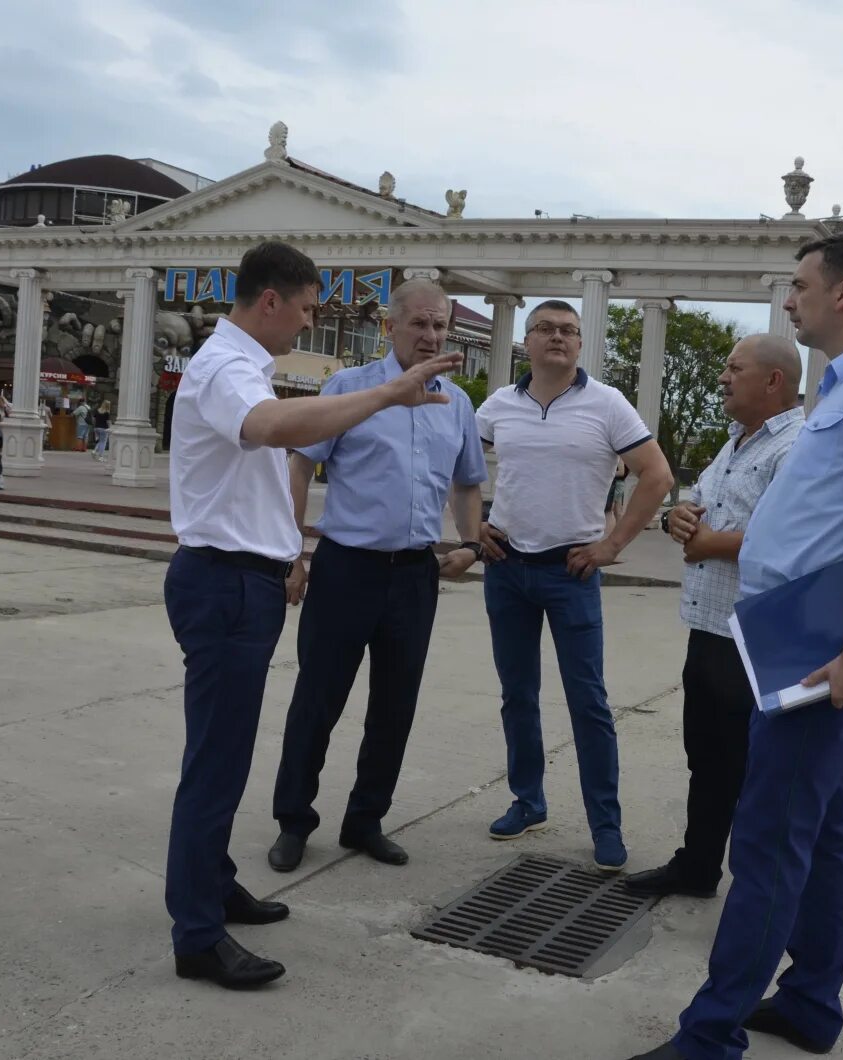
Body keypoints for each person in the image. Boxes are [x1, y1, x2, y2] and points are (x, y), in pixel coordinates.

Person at [630, 234, 843, 1060]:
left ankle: (709, 1035)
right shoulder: (840, 390)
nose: (790, 300)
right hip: (784, 631)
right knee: (829, 830)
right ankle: (809, 1001)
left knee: (768, 839)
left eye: (801, 285)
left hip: (819, 641)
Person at [162, 240, 461, 990]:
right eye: (304, 309)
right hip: (227, 583)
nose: (307, 322)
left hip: (246, 582)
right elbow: (275, 430)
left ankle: (214, 884)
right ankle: (197, 934)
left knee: (224, 758)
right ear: (270, 300)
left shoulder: (242, 365)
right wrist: (387, 396)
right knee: (216, 765)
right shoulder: (229, 370)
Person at [267, 280, 488, 874]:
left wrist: (470, 544)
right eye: (419, 323)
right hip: (346, 569)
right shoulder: (350, 388)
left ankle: (366, 819)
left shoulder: (457, 404)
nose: (431, 335)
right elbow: (299, 464)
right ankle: (294, 819)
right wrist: (293, 553)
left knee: (395, 706)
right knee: (318, 700)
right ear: (389, 327)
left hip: (415, 575)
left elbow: (469, 482)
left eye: (440, 325)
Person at [476, 299, 673, 873]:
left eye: (568, 330)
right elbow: (456, 462)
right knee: (519, 695)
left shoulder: (607, 405)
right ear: (528, 341)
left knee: (589, 702)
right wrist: (473, 528)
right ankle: (528, 800)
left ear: (580, 343)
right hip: (508, 567)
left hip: (573, 571)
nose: (556, 338)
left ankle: (605, 825)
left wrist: (612, 548)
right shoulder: (498, 407)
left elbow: (657, 476)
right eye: (545, 329)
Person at [624, 334, 805, 901]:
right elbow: (697, 501)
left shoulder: (795, 447)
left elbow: (791, 541)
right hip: (709, 626)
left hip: (753, 637)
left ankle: (757, 890)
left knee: (751, 769)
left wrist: (708, 544)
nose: (722, 377)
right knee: (706, 759)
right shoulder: (737, 443)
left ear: (773, 381)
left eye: (734, 367)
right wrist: (678, 518)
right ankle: (698, 867)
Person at [603, 458, 629, 536]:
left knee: (615, 509)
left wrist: (607, 473)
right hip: (614, 483)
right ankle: (619, 531)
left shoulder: (619, 458)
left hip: (617, 484)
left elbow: (621, 472)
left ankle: (619, 531)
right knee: (615, 509)